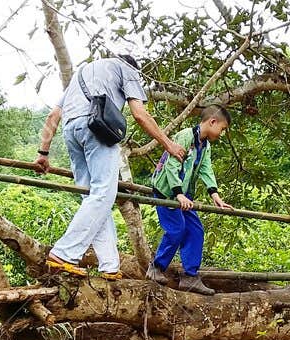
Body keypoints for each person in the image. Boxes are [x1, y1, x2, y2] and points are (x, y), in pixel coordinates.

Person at [34, 51, 187, 278]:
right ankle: (63, 254)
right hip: (97, 129)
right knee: (103, 194)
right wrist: (168, 144)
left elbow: (53, 116)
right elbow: (140, 114)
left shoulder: (82, 73)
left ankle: (110, 266)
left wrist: (43, 152)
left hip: (70, 131)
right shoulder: (128, 71)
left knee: (94, 198)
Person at [145, 104, 233, 295]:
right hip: (168, 193)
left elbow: (205, 169)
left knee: (195, 230)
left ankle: (190, 277)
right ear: (212, 122)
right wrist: (178, 194)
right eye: (223, 129)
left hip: (184, 196)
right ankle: (156, 268)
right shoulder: (185, 136)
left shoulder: (205, 145)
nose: (222, 133)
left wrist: (215, 195)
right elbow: (171, 166)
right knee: (177, 229)